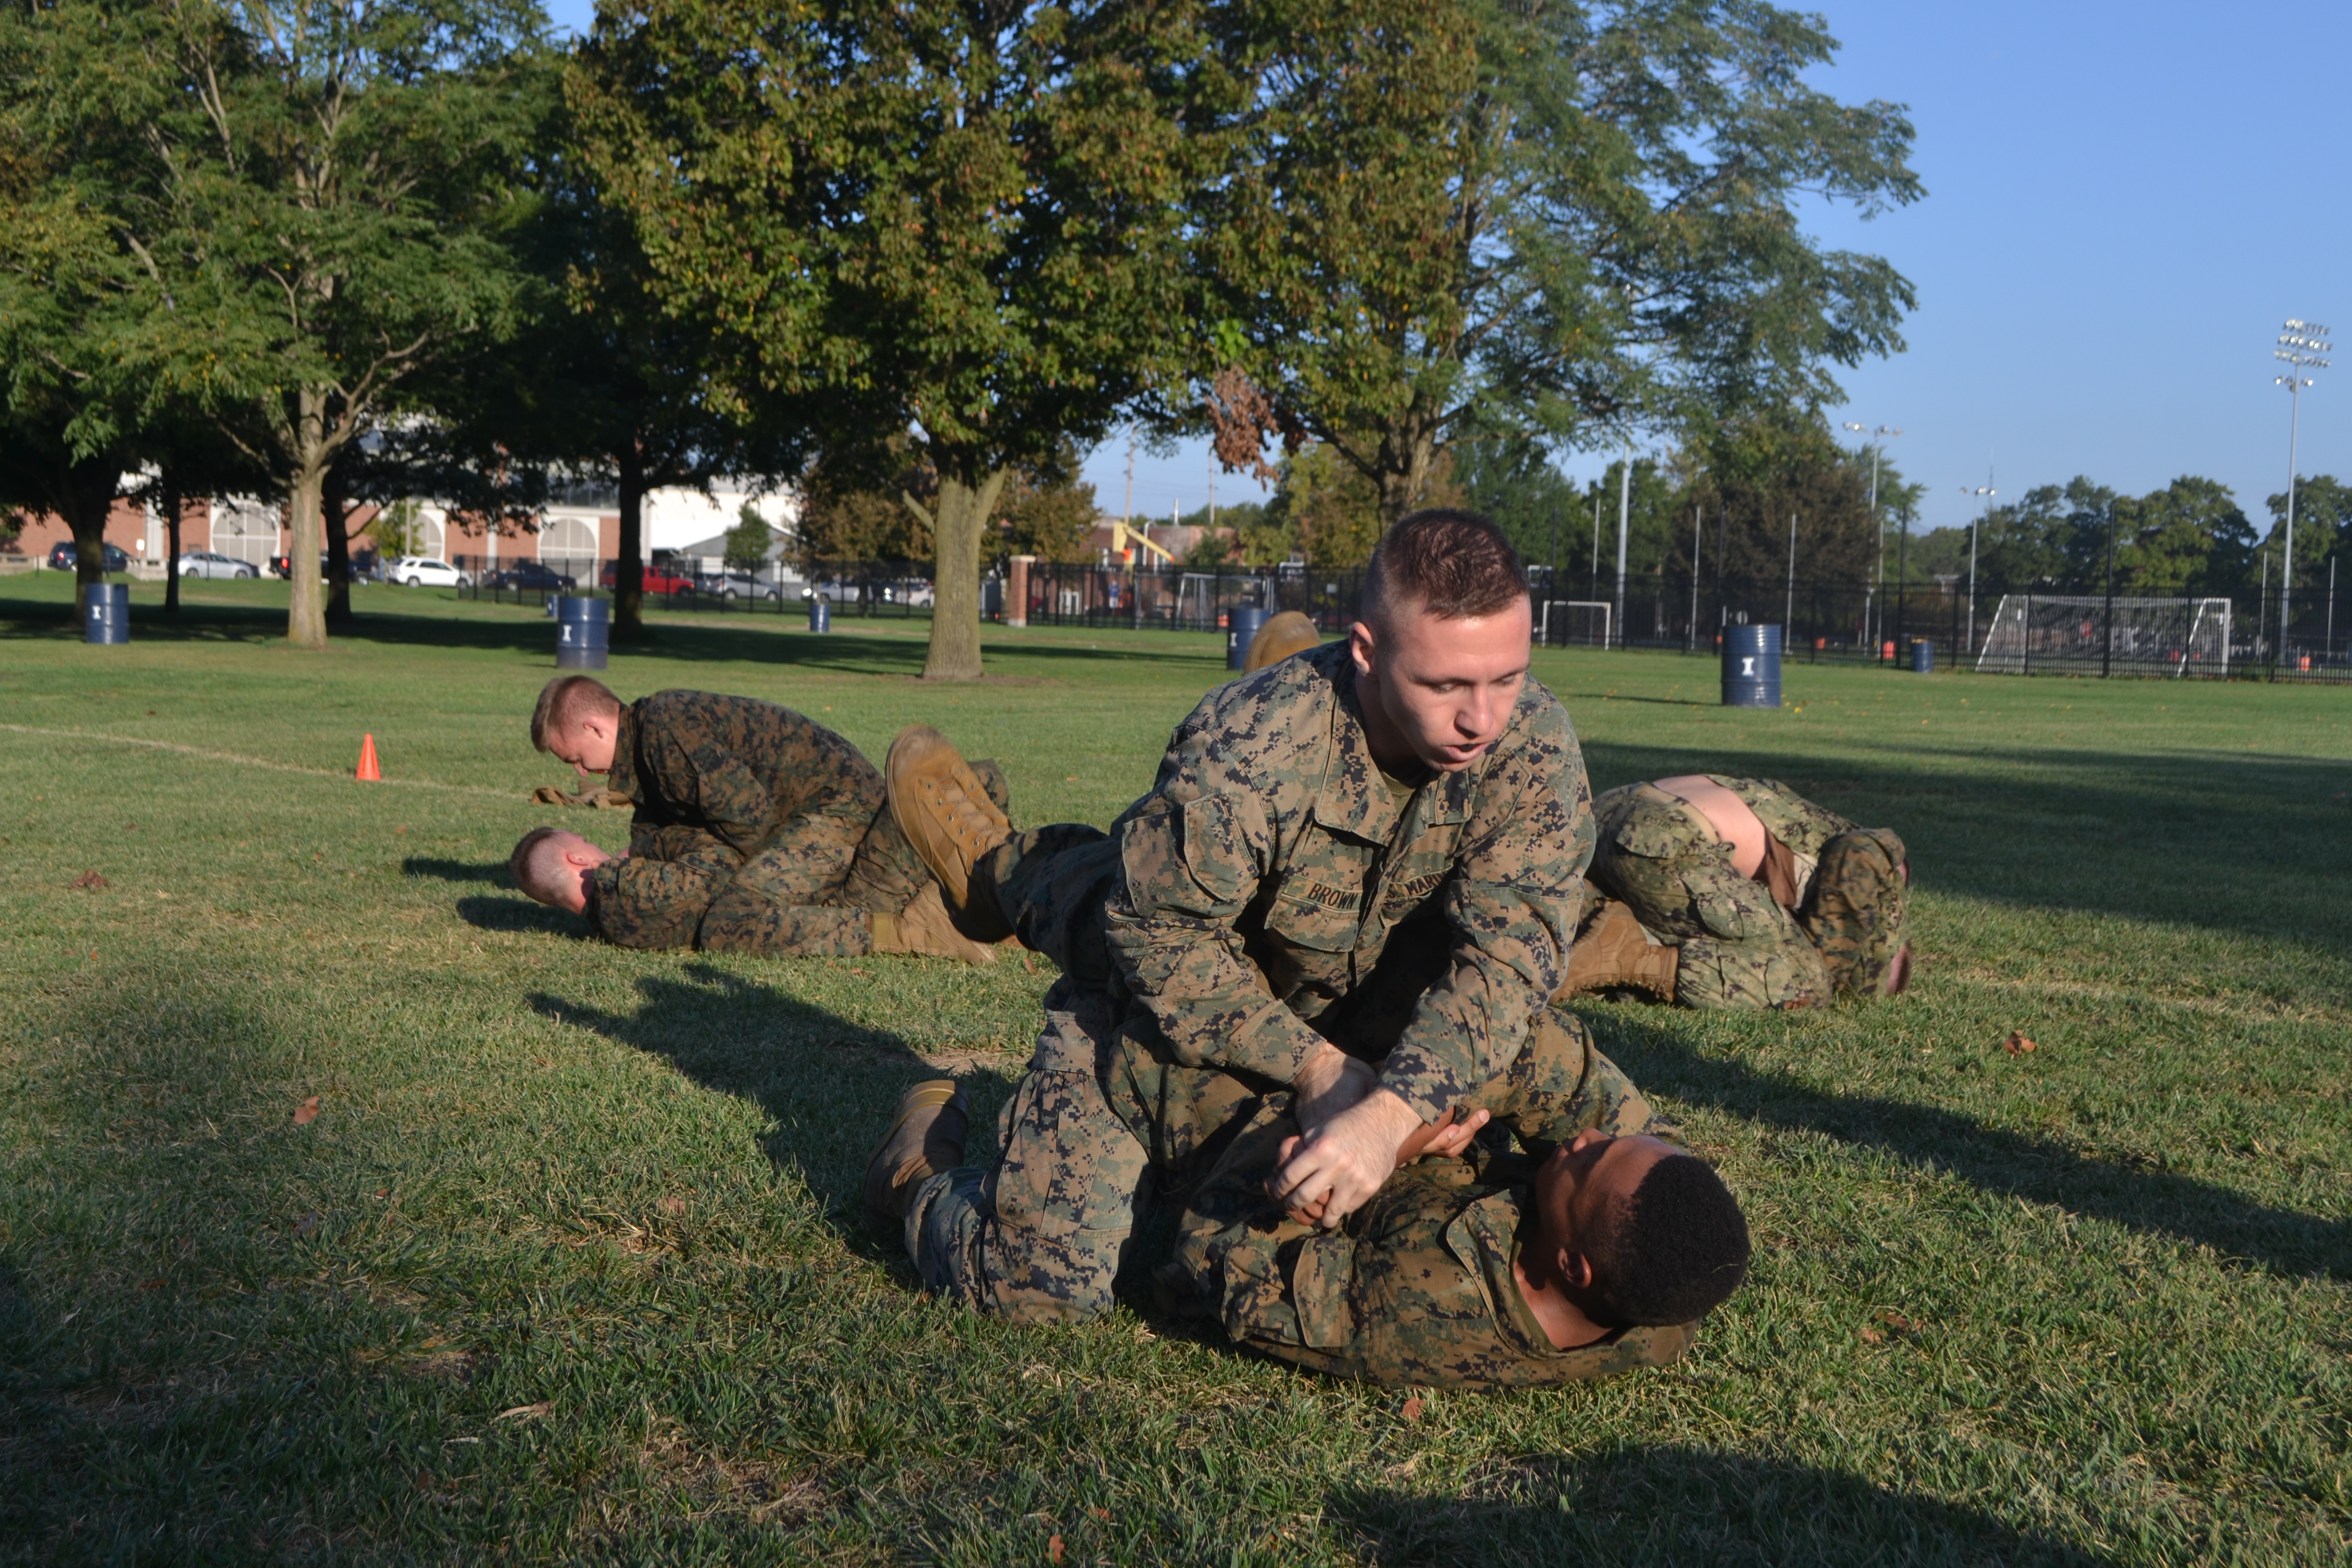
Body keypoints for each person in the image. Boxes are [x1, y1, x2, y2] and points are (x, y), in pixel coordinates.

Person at [864, 508, 1598, 1324]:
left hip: (1352, 1001)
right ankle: (985, 906)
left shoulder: (1531, 743)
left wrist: (1397, 1109)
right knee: (1033, 1289)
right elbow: (1158, 940)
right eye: (1445, 685)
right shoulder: (1248, 747)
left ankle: (1004, 878)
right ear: (1367, 650)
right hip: (1163, 1005)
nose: (1482, 719)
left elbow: (1510, 960)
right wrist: (1315, 1071)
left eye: (1506, 678)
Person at [869, 1003, 1752, 1388]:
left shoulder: (1414, 1310)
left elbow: (1217, 1254)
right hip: (1344, 1053)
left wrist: (1363, 1148)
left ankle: (915, 1172)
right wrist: (1411, 1101)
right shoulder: (1658, 1276)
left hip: (1179, 1092)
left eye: (1589, 1164)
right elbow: (1543, 1056)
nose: (1584, 1140)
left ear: (1567, 1266)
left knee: (1037, 1290)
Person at [510, 677, 995, 960]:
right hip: (815, 810)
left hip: (836, 807)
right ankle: (966, 887)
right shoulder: (646, 749)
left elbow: (748, 822)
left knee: (732, 922)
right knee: (767, 902)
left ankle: (913, 929)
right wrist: (641, 859)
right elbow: (662, 831)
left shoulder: (663, 731)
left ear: (595, 727)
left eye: (575, 758)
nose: (579, 773)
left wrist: (713, 880)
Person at [1559, 775, 1910, 1010]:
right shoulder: (1886, 869)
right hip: (1663, 835)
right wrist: (1827, 976)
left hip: (1607, 814)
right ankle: (1630, 957)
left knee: (1736, 941)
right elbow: (1860, 851)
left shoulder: (1808, 824)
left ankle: (1582, 931)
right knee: (1807, 982)